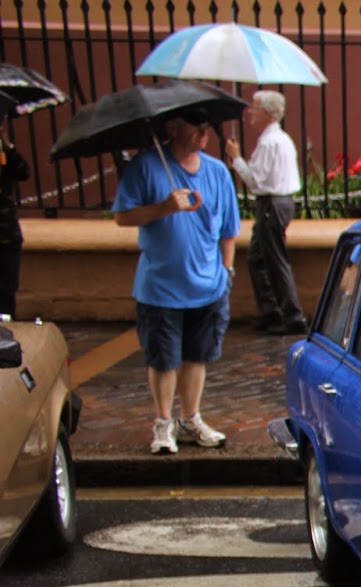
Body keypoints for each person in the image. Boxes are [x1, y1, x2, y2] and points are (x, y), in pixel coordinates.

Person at [111, 110, 240, 455]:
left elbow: (229, 229)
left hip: (208, 285)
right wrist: (163, 208)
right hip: (161, 287)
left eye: (206, 125)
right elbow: (122, 216)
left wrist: (226, 272)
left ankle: (190, 419)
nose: (203, 132)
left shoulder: (217, 172)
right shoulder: (145, 167)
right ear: (172, 127)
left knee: (197, 356)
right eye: (195, 126)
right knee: (163, 359)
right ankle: (163, 423)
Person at [224, 90, 307, 334]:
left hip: (272, 204)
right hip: (277, 203)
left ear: (268, 113)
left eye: (255, 107)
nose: (250, 111)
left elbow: (255, 180)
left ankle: (291, 315)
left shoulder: (270, 142)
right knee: (257, 257)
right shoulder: (281, 139)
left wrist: (236, 159)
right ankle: (272, 312)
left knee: (274, 259)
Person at [0, 132, 29, 318]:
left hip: (7, 235)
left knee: (6, 292)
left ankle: (6, 328)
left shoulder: (5, 153)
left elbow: (23, 172)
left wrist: (7, 144)